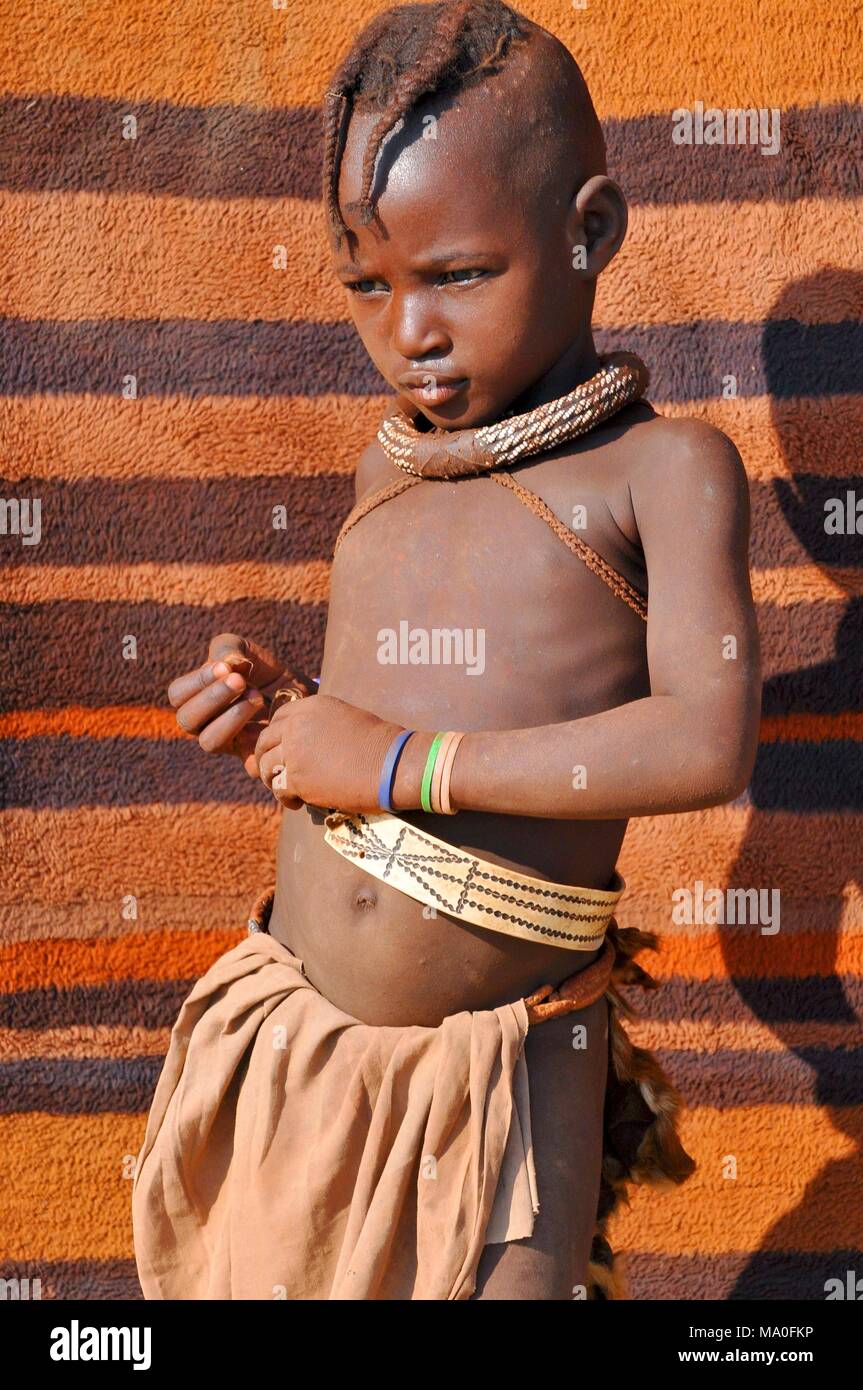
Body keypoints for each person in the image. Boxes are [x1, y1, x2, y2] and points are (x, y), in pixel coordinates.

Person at [132, 0, 761, 1300]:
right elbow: (369, 725)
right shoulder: (390, 461)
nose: (408, 329)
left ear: (590, 230)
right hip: (289, 1034)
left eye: (458, 275)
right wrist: (286, 710)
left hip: (505, 1063)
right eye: (369, 284)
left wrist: (402, 760)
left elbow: (705, 737)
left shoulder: (664, 472)